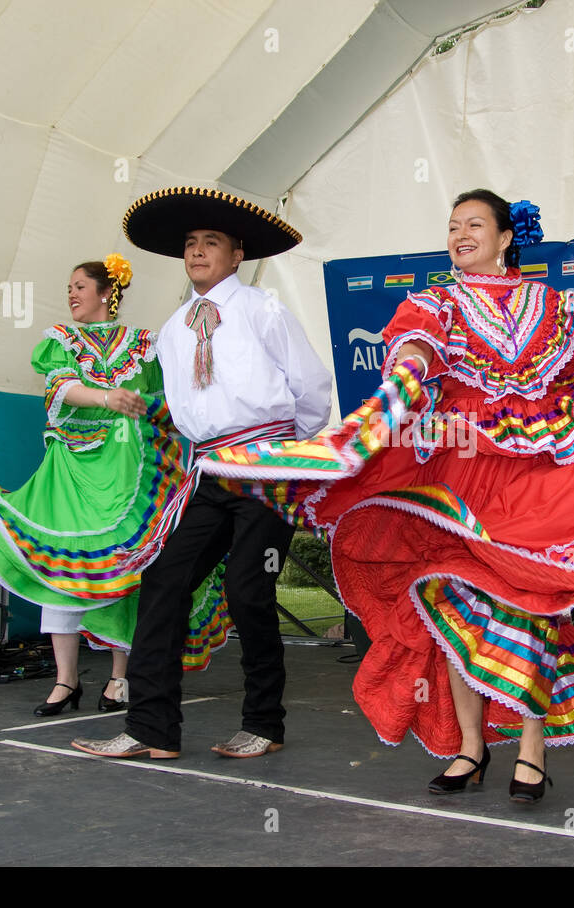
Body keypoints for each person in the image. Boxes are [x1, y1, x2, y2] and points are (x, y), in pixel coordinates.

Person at [196, 189, 574, 801]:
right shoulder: (434, 302)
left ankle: (531, 750)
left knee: (531, 600)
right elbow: (413, 357)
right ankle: (470, 747)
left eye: (473, 225)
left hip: (537, 472)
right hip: (457, 468)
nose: (460, 235)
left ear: (503, 238)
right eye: (452, 226)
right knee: (448, 600)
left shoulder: (553, 305)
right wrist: (391, 397)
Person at [72, 187, 333, 761]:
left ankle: (263, 721)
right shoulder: (171, 330)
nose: (196, 252)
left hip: (266, 469)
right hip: (210, 471)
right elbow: (181, 407)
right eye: (190, 244)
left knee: (248, 589)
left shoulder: (264, 310)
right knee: (163, 582)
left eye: (210, 242)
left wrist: (285, 452)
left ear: (236, 255)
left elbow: (312, 389)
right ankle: (150, 730)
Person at [0, 256, 229, 716]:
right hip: (71, 468)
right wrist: (109, 397)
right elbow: (60, 389)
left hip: (130, 467)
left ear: (107, 292)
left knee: (130, 566)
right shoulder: (62, 340)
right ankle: (65, 681)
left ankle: (120, 677)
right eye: (69, 287)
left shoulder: (145, 345)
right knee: (59, 566)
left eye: (79, 286)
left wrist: (151, 408)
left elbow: (169, 397)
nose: (71, 294)